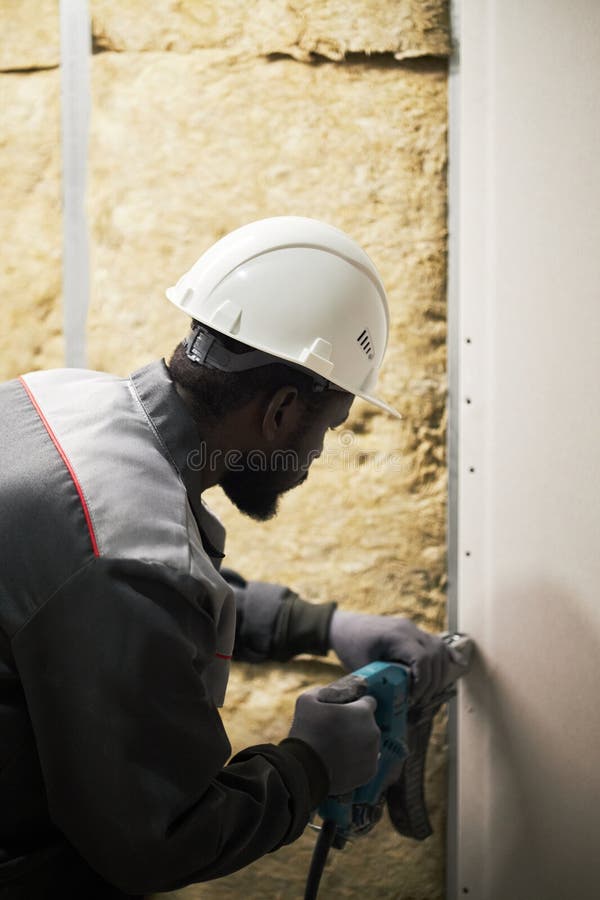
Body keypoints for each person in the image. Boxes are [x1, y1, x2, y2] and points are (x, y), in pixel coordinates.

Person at [0, 217, 453, 899]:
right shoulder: (128, 555)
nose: (317, 455)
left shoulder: (61, 396)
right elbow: (161, 840)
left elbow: (130, 594)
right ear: (280, 411)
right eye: (326, 427)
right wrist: (311, 766)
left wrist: (318, 625)